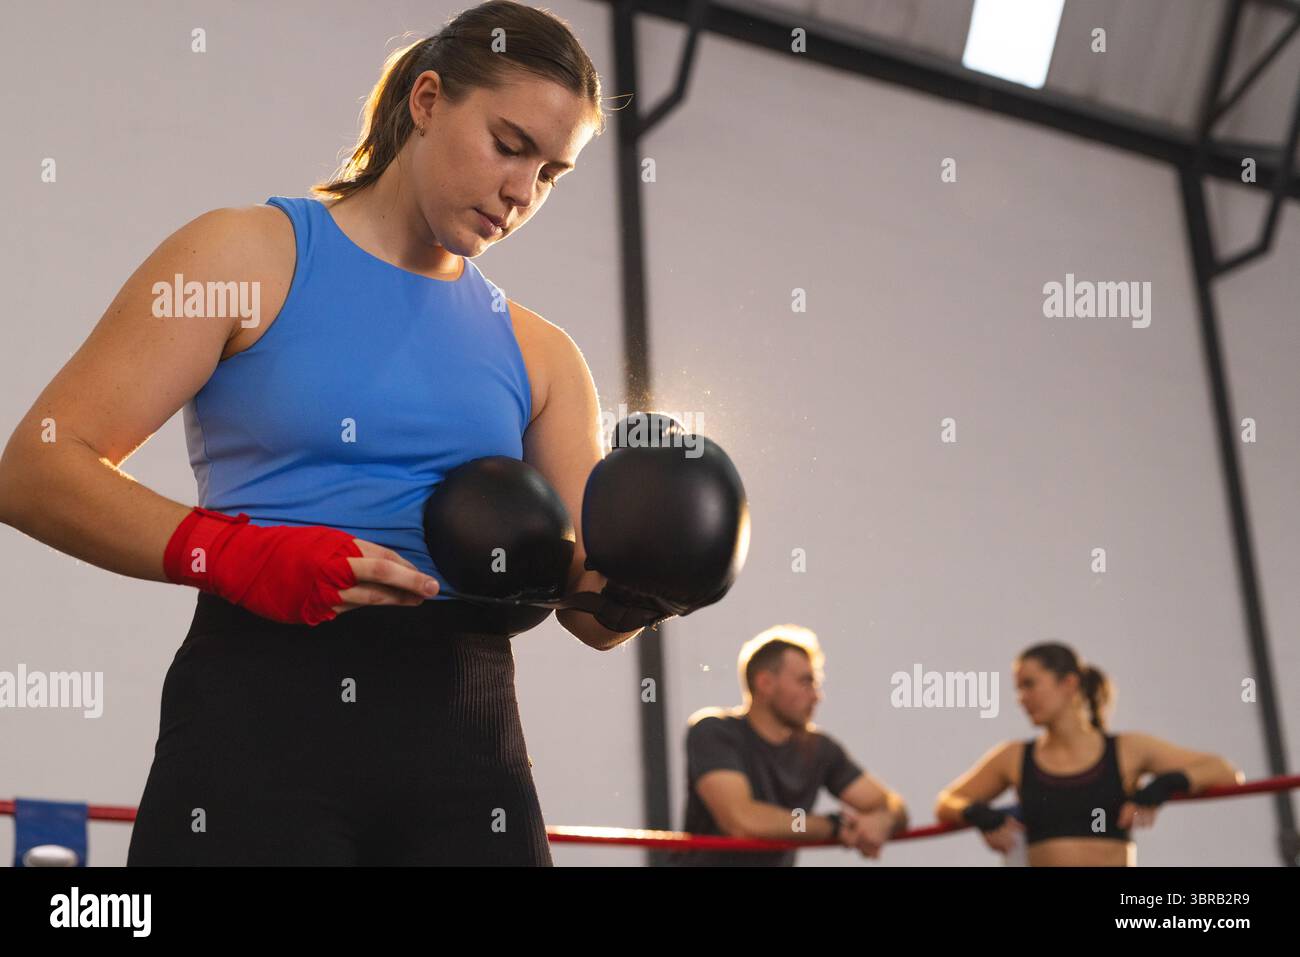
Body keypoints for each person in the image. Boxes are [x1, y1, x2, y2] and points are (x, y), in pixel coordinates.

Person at [0, 1, 641, 865]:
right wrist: (238, 556)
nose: (521, 192)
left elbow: (591, 612)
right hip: (259, 720)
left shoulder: (544, 356)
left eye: (552, 173)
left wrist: (659, 579)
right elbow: (36, 469)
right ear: (426, 100)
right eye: (509, 143)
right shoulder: (245, 255)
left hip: (469, 750)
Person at [934, 642, 1242, 866]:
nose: (1022, 698)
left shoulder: (1127, 749)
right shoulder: (1014, 757)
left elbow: (1224, 771)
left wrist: (1163, 786)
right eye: (1018, 689)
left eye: (1029, 685)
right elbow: (946, 801)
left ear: (1068, 684)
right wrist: (977, 814)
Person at [674, 625, 908, 866]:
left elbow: (890, 805)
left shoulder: (819, 748)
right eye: (805, 682)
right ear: (765, 683)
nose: (817, 696)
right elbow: (742, 820)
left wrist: (883, 821)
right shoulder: (714, 731)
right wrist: (833, 826)